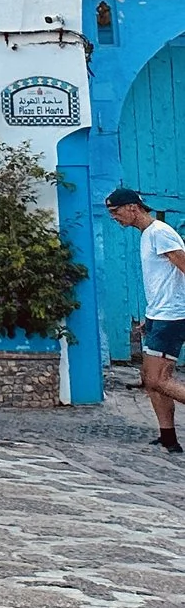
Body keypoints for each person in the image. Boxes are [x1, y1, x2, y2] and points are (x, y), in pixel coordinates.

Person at [109, 187, 185, 454]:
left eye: (115, 212)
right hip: (159, 315)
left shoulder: (161, 233)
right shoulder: (147, 235)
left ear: (132, 207)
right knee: (148, 378)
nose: (114, 218)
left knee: (157, 379)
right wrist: (148, 317)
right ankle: (168, 439)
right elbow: (161, 281)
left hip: (172, 317)